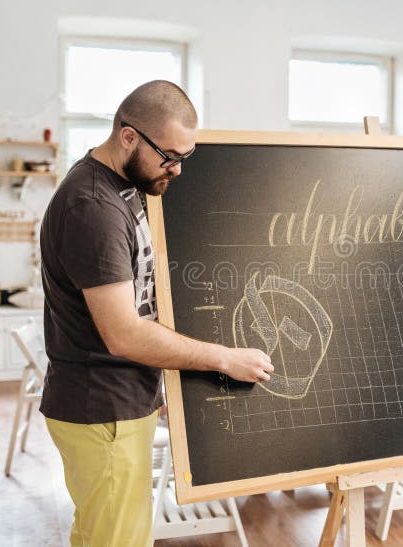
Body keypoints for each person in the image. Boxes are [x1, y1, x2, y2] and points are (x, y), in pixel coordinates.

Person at [39, 80, 274, 547]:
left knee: (99, 535)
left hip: (117, 403)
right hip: (102, 410)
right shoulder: (94, 208)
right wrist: (223, 357)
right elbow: (124, 334)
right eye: (169, 155)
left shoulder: (122, 185)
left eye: (185, 157)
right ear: (129, 136)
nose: (178, 170)